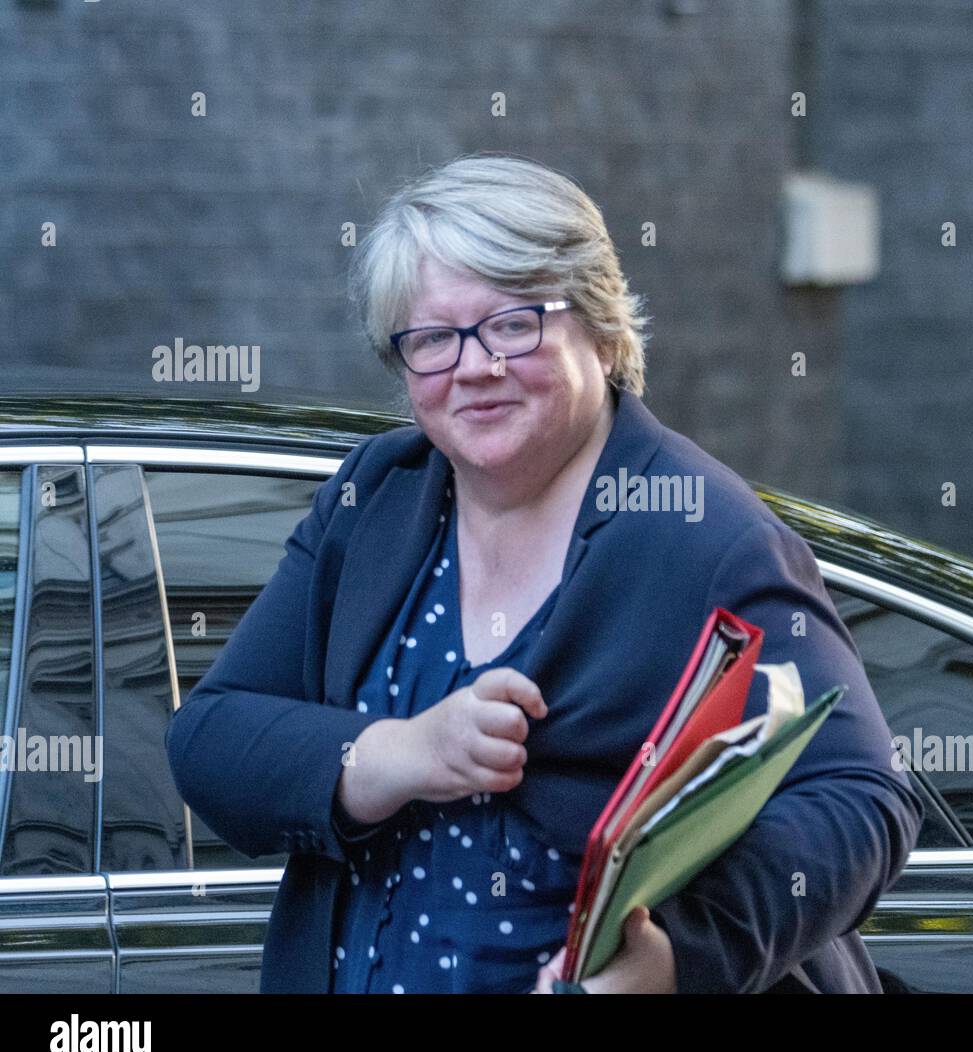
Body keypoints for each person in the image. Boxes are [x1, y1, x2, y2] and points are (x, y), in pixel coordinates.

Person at [164, 151, 924, 994]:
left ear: (600, 331)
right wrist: (405, 750)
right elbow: (211, 740)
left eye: (514, 324)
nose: (474, 365)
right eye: (433, 339)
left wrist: (680, 959)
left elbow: (863, 797)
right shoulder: (376, 495)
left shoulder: (703, 530)